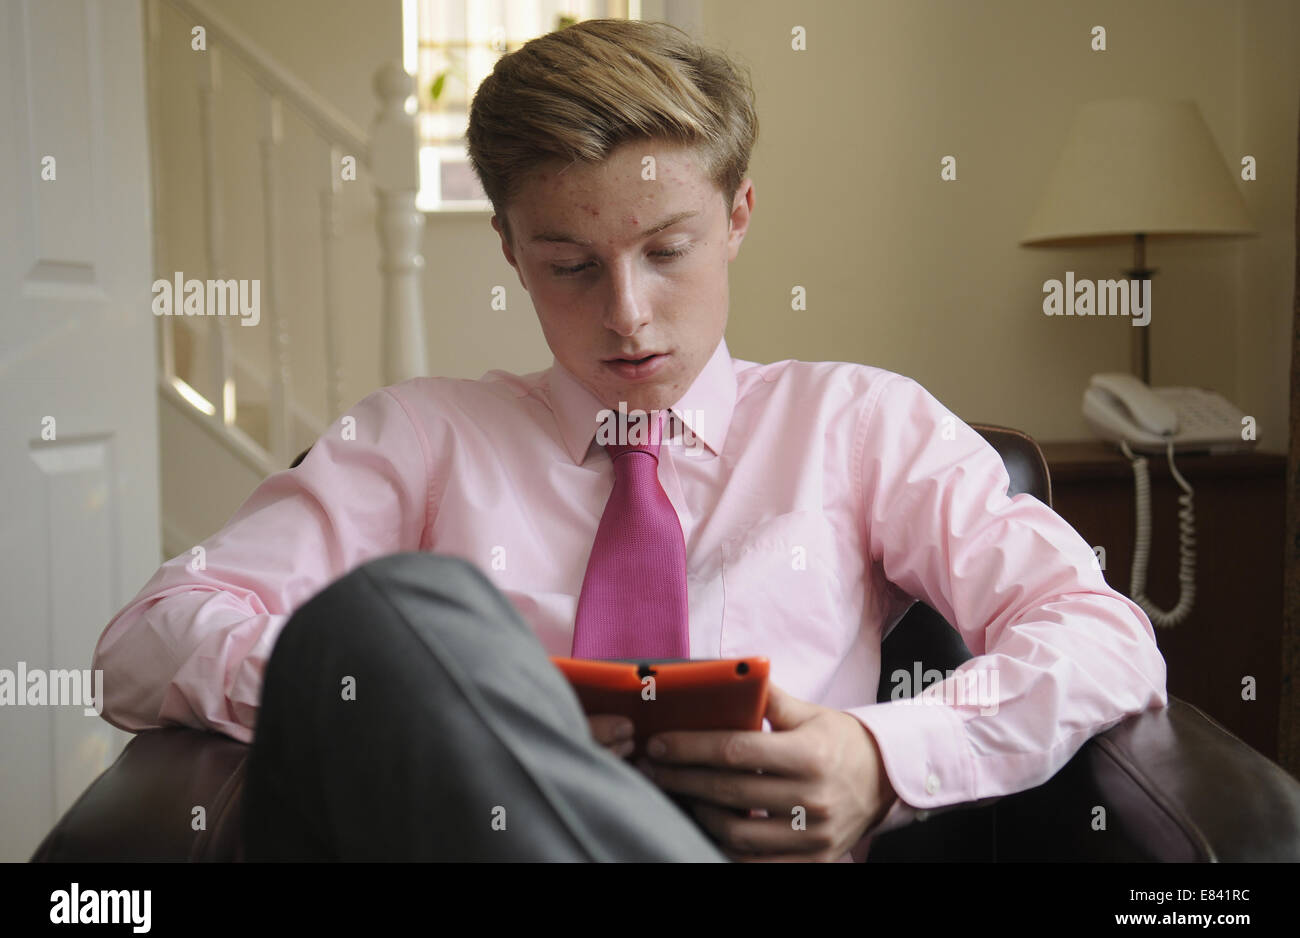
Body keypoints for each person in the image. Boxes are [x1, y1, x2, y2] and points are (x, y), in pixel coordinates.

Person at [91, 18, 1168, 862]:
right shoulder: (416, 434)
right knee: (387, 622)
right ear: (511, 251)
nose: (626, 313)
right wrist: (465, 707)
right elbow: (146, 640)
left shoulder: (856, 422)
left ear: (738, 215)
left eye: (667, 250)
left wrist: (883, 755)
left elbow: (1099, 631)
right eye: (569, 264)